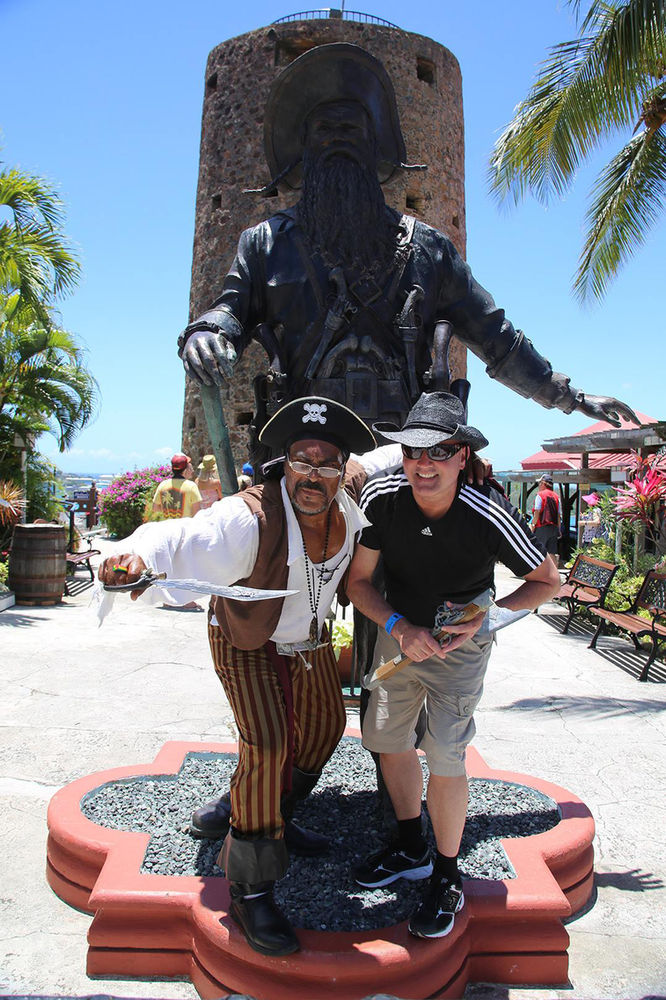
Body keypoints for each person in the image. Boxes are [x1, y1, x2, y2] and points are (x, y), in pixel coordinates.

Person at [178, 42, 637, 466]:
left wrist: (570, 397)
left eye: (350, 129)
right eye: (324, 129)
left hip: (407, 466)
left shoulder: (429, 250)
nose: (337, 138)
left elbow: (494, 336)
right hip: (304, 461)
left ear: (374, 145)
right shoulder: (264, 244)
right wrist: (209, 333)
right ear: (304, 148)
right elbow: (229, 311)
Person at [98, 396, 385, 957]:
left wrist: (456, 452)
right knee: (269, 742)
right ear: (284, 461)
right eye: (303, 459)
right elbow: (179, 536)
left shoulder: (347, 491)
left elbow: (389, 457)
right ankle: (252, 887)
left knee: (326, 727)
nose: (314, 473)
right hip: (246, 634)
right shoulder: (247, 517)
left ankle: (267, 811)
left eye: (328, 463)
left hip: (308, 636)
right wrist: (132, 555)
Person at [345, 391, 560, 941]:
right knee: (387, 740)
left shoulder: (486, 512)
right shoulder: (383, 499)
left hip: (459, 648)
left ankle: (445, 873)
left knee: (445, 755)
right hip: (399, 639)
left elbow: (545, 583)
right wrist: (398, 628)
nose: (424, 463)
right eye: (414, 450)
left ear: (462, 455)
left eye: (440, 451)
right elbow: (360, 582)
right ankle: (411, 844)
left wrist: (484, 621)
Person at [151, 453, 202, 518]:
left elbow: (155, 508)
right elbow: (197, 513)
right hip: (185, 527)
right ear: (185, 470)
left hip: (167, 526)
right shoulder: (191, 486)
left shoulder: (162, 485)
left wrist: (170, 509)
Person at [531, 474, 561, 567]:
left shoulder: (540, 495)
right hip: (554, 528)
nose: (539, 485)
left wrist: (533, 525)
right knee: (552, 552)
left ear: (543, 483)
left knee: (538, 550)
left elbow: (537, 511)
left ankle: (538, 573)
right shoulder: (557, 497)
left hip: (542, 527)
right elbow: (558, 516)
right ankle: (555, 573)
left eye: (539, 483)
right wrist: (559, 529)